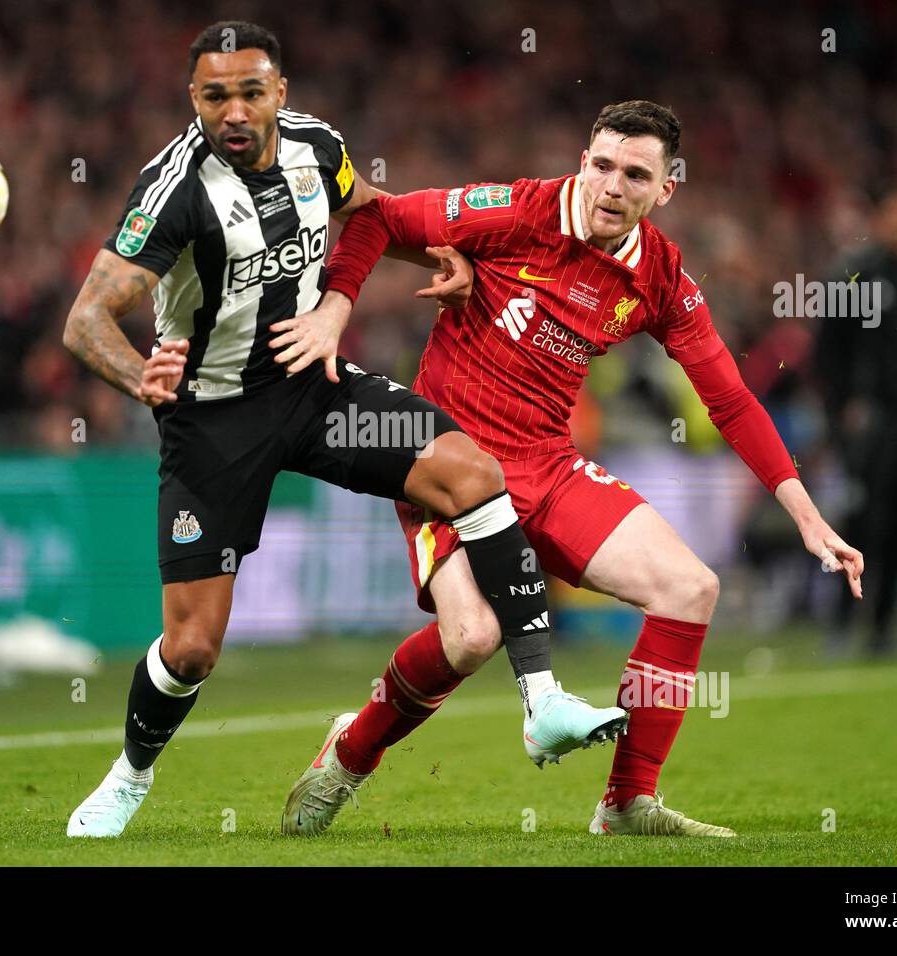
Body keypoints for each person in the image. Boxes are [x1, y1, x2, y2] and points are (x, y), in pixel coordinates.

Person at [61, 21, 623, 838]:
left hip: (312, 382)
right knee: (190, 652)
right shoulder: (174, 190)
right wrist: (136, 372)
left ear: (280, 93)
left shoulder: (317, 147)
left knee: (473, 473)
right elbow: (86, 321)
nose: (236, 111)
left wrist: (440, 253)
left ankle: (541, 698)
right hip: (211, 421)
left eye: (252, 91)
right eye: (216, 96)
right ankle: (128, 775)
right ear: (195, 101)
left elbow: (369, 212)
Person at [277, 100, 864, 837]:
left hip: (546, 463)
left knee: (689, 588)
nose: (613, 186)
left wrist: (807, 515)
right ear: (583, 162)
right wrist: (338, 309)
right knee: (473, 638)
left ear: (664, 191)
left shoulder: (659, 274)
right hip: (446, 459)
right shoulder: (517, 211)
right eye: (603, 166)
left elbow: (731, 400)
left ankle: (626, 803)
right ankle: (351, 754)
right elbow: (380, 217)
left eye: (636, 175)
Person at [813, 192, 897, 656]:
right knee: (863, 522)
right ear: (881, 221)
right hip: (870, 424)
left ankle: (885, 627)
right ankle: (842, 624)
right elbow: (827, 350)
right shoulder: (855, 273)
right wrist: (845, 407)